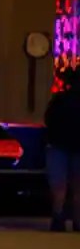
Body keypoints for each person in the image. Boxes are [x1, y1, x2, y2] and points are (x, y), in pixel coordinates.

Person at [44, 67, 80, 232]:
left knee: (59, 186)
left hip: (58, 145)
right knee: (77, 186)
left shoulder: (59, 100)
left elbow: (49, 120)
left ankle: (58, 219)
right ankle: (77, 221)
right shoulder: (62, 101)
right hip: (75, 146)